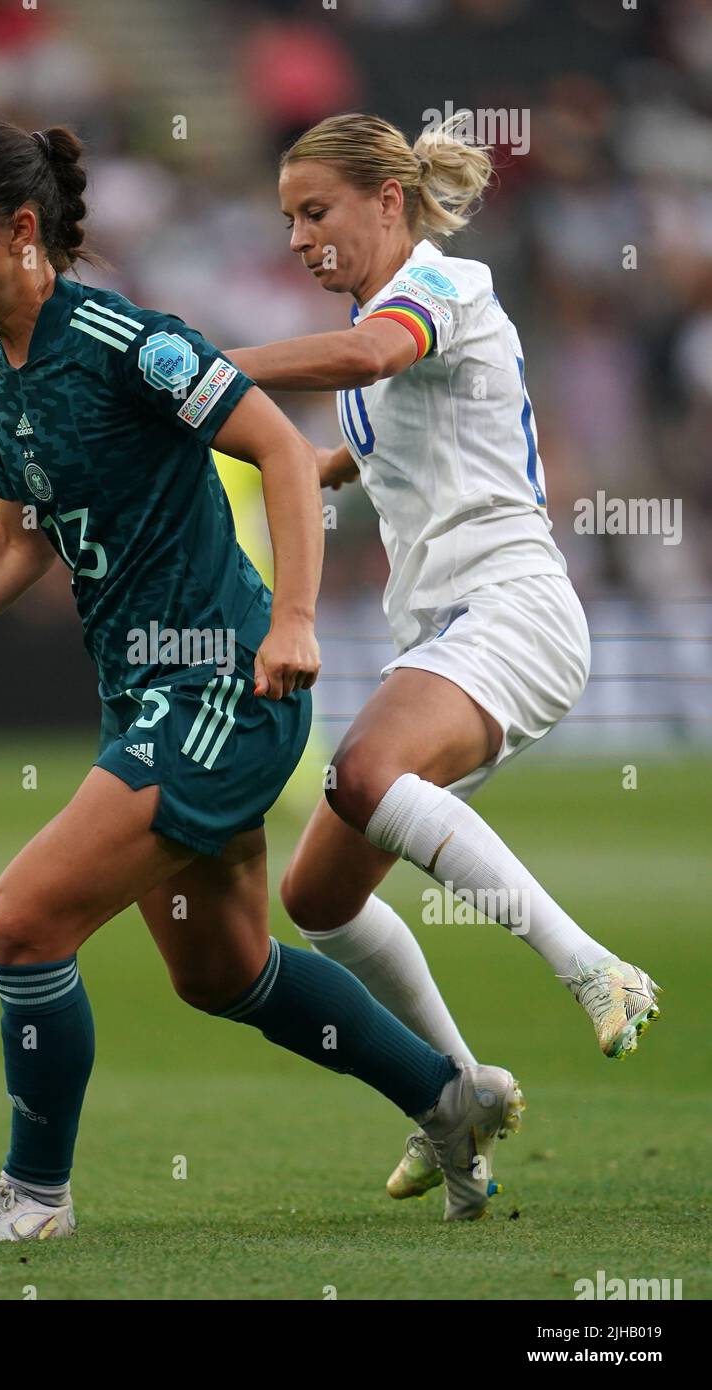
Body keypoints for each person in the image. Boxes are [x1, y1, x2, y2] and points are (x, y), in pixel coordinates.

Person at [0, 119, 521, 1235]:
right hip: (145, 694)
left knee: (25, 920)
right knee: (221, 972)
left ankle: (36, 1194)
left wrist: (292, 622)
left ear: (23, 229)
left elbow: (282, 447)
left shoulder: (127, 339)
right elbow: (16, 542)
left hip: (227, 685)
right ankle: (447, 1097)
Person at [227, 112, 659, 1205]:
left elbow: (375, 355)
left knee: (368, 774)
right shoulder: (384, 340)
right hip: (449, 633)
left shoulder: (444, 287)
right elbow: (391, 428)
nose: (296, 238)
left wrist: (214, 373)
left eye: (314, 211)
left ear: (387, 203)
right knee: (318, 893)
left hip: (512, 608)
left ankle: (593, 967)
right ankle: (461, 1094)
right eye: (286, 219)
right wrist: (324, 466)